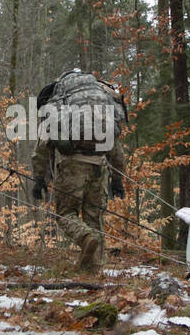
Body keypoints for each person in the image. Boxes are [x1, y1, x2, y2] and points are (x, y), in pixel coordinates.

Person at [30, 72, 127, 272]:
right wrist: (117, 179)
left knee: (66, 213)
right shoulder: (102, 106)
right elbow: (116, 148)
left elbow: (42, 147)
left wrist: (40, 179)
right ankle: (94, 269)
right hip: (100, 167)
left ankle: (85, 238)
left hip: (72, 166)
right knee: (94, 217)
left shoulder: (59, 104)